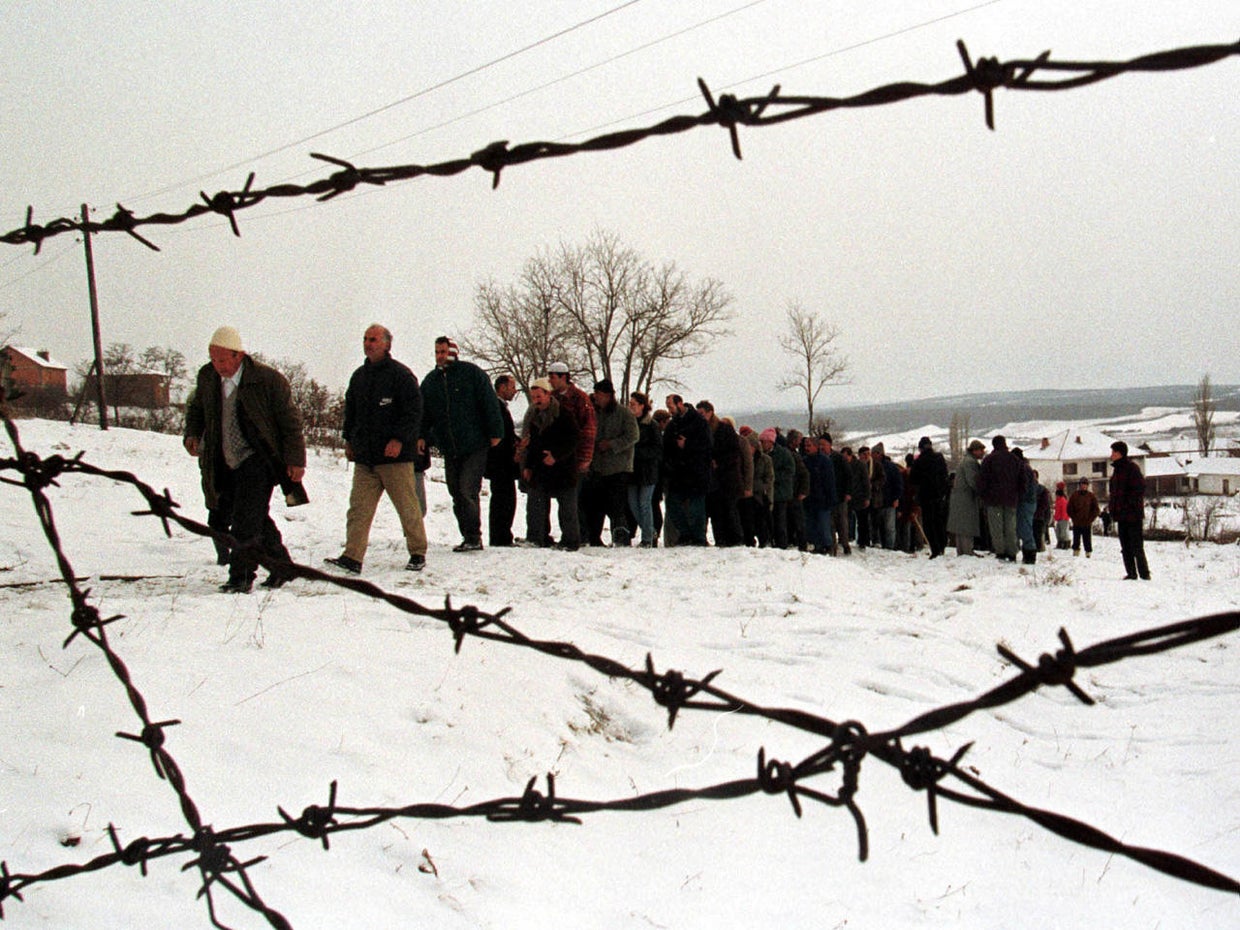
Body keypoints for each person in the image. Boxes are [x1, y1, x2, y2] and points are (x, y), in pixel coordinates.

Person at [184, 325, 306, 593]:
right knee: (251, 516)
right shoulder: (207, 377)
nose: (218, 366)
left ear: (238, 355)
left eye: (223, 360)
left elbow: (290, 422)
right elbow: (197, 409)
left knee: (244, 522)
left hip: (258, 457)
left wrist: (296, 460)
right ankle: (281, 566)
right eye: (213, 359)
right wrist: (193, 433)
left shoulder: (267, 380)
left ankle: (240, 576)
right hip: (224, 459)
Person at [324, 324, 427, 574]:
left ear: (386, 344)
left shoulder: (401, 376)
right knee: (358, 509)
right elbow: (352, 412)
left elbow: (413, 413)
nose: (368, 343)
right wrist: (348, 439)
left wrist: (399, 440)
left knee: (408, 507)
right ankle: (352, 556)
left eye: (373, 339)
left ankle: (417, 552)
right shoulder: (359, 377)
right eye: (365, 339)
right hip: (366, 458)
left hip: (395, 459)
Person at [419, 337, 505, 552]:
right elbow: (424, 413)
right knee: (455, 491)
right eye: (437, 351)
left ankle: (474, 537)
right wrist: (421, 436)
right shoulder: (430, 382)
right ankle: (467, 535)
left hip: (475, 444)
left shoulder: (472, 374)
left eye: (443, 351)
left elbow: (489, 404)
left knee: (468, 489)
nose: (440, 356)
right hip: (449, 447)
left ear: (453, 352)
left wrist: (495, 432)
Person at [521, 378, 581, 551]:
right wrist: (528, 466)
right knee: (535, 505)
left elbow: (574, 438)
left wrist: (556, 455)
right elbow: (532, 443)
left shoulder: (563, 414)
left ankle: (570, 541)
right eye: (533, 397)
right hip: (540, 467)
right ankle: (536, 537)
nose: (536, 400)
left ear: (548, 395)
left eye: (539, 396)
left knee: (567, 508)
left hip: (563, 468)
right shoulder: (533, 414)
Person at [588, 378, 638, 546]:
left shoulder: (624, 413)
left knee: (617, 506)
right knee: (595, 505)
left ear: (608, 395)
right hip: (597, 467)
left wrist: (611, 444)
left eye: (599, 394)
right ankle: (594, 537)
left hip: (619, 468)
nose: (596, 398)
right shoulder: (594, 413)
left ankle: (621, 538)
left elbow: (633, 436)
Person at [661, 394, 711, 546]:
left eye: (670, 407)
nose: (669, 411)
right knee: (673, 504)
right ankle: (685, 534)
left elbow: (707, 446)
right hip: (678, 472)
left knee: (697, 508)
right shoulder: (672, 425)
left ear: (680, 404)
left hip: (696, 471)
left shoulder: (699, 422)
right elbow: (666, 447)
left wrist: (688, 445)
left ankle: (698, 537)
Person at [485, 374, 520, 547]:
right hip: (501, 463)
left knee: (504, 499)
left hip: (502, 463)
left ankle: (502, 536)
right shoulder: (496, 407)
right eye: (512, 387)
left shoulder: (499, 406)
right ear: (503, 387)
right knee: (503, 500)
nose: (515, 391)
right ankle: (501, 537)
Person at [1109, 440, 1150, 580]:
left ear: (1120, 453)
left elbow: (1140, 489)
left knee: (1137, 546)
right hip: (1121, 516)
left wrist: (1128, 505)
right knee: (1125, 547)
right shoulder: (1117, 470)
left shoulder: (1132, 468)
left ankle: (1144, 574)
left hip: (1133, 515)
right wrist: (1113, 510)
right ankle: (1131, 573)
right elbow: (1114, 494)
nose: (1111, 455)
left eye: (1114, 452)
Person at [978, 435, 1022, 561]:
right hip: (1011, 499)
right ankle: (1012, 552)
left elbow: (982, 481)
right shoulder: (1014, 459)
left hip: (994, 500)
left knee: (996, 527)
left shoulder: (989, 460)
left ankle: (1000, 552)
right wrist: (1019, 494)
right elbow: (1022, 479)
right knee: (1010, 527)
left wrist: (984, 496)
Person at [627, 391, 660, 547]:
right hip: (632, 470)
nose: (630, 407)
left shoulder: (651, 425)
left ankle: (647, 538)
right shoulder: (629, 422)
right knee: (633, 504)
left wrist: (637, 452)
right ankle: (649, 530)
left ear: (642, 406)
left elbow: (657, 449)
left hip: (647, 471)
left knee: (644, 504)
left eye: (633, 404)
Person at [909, 436, 949, 558]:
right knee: (939, 522)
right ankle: (942, 546)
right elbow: (945, 475)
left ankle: (935, 549)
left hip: (926, 496)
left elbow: (913, 479)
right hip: (939, 495)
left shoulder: (919, 461)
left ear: (920, 448)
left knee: (929, 523)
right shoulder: (939, 458)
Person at [946, 439, 985, 556]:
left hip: (960, 498)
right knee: (967, 526)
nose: (983, 452)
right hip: (966, 498)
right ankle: (967, 551)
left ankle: (962, 550)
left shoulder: (965, 460)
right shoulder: (970, 463)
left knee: (961, 527)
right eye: (981, 450)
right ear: (975, 450)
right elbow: (972, 481)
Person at [1067, 477, 1100, 557]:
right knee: (1076, 539)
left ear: (1087, 486)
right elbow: (1069, 508)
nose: (1083, 486)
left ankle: (1088, 554)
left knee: (1087, 540)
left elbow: (1096, 509)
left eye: (1085, 484)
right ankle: (1075, 553)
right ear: (1079, 485)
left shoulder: (1091, 496)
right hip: (1077, 522)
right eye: (1082, 484)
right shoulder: (1074, 495)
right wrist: (1074, 517)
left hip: (1087, 523)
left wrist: (1090, 519)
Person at [1053, 482, 1071, 550]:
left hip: (1063, 518)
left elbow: (1064, 510)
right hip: (1060, 518)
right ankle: (1061, 542)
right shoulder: (1059, 500)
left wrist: (1063, 517)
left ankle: (1065, 543)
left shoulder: (1062, 500)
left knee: (1063, 532)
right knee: (1059, 531)